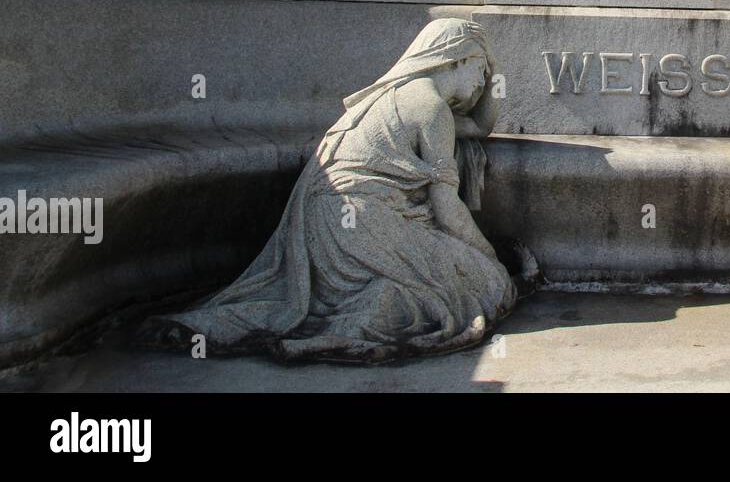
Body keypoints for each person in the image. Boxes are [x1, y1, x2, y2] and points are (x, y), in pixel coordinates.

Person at [139, 18, 522, 362]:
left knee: (436, 278)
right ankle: (351, 327)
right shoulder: (432, 109)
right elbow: (448, 210)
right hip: (362, 225)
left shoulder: (390, 98)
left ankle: (230, 324)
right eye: (480, 70)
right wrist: (490, 257)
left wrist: (495, 69)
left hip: (319, 225)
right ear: (454, 58)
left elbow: (479, 127)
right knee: (488, 283)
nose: (482, 83)